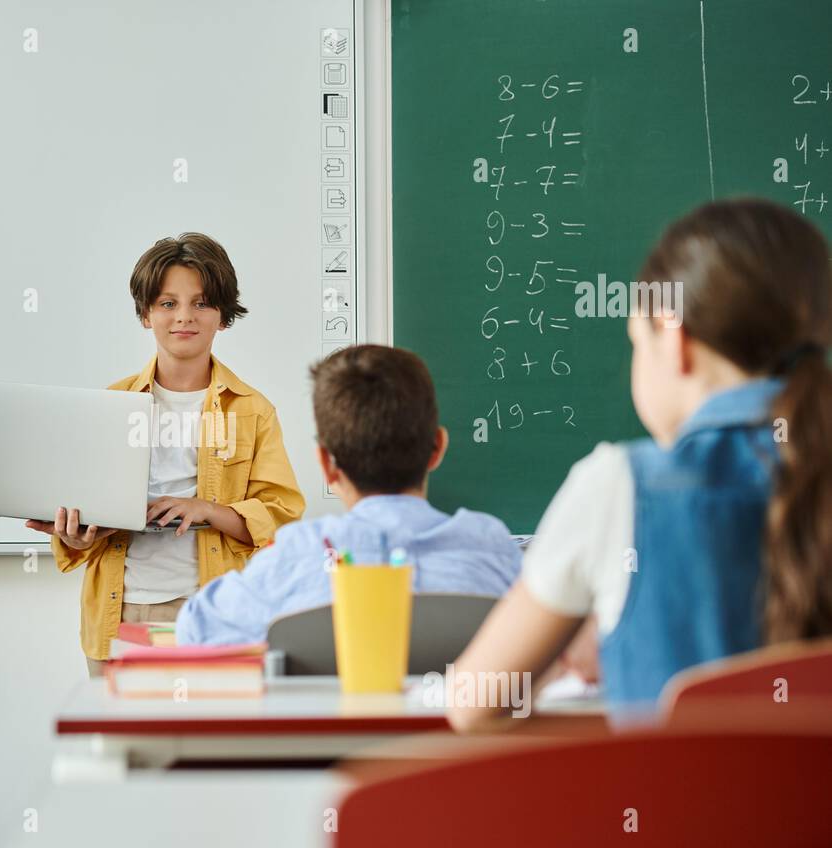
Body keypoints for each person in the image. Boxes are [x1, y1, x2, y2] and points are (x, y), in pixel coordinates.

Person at [451, 198, 832, 727]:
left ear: (674, 339)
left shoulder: (621, 487)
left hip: (673, 810)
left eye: (637, 340)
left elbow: (474, 703)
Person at [27, 233, 304, 673]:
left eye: (201, 303)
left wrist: (207, 509)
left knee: (212, 743)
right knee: (126, 743)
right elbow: (82, 523)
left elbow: (282, 514)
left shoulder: (253, 410)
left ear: (224, 316)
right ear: (145, 314)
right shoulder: (108, 405)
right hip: (121, 614)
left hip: (215, 613)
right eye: (167, 303)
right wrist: (74, 536)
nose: (184, 317)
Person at [176, 344, 521, 646]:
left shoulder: (296, 557)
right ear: (438, 448)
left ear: (327, 465)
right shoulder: (493, 550)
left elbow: (194, 628)